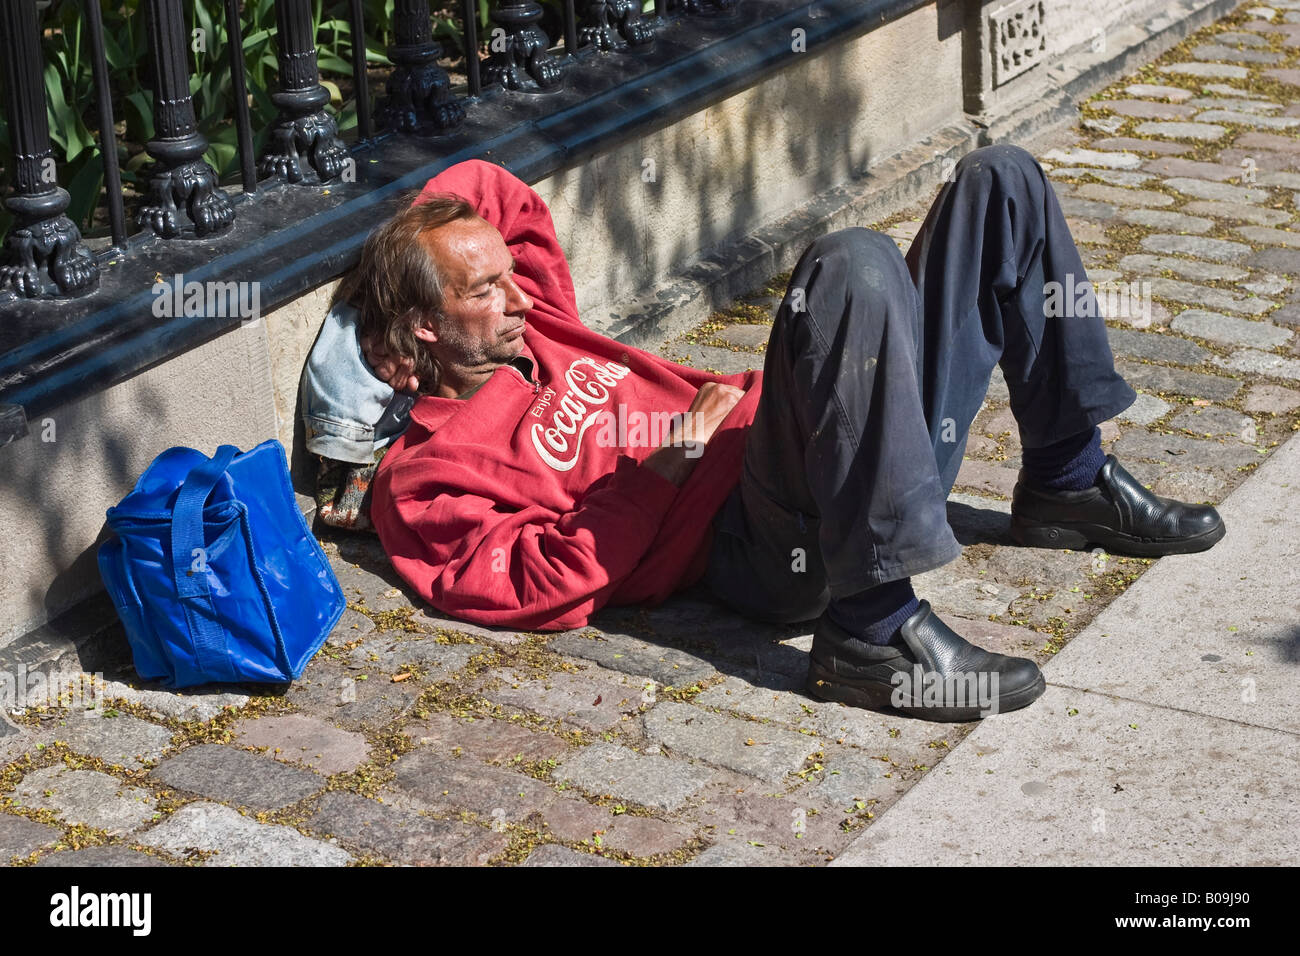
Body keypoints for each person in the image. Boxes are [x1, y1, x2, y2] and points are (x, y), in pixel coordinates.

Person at [300, 147, 1225, 723]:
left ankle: (1067, 476)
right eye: (487, 289)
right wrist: (663, 468)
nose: (520, 293)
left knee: (1000, 182)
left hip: (841, 449)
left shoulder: (532, 323)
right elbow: (534, 589)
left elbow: (489, 191)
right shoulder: (428, 477)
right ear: (428, 328)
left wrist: (383, 293)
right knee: (852, 266)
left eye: (510, 274)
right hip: (764, 540)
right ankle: (870, 630)